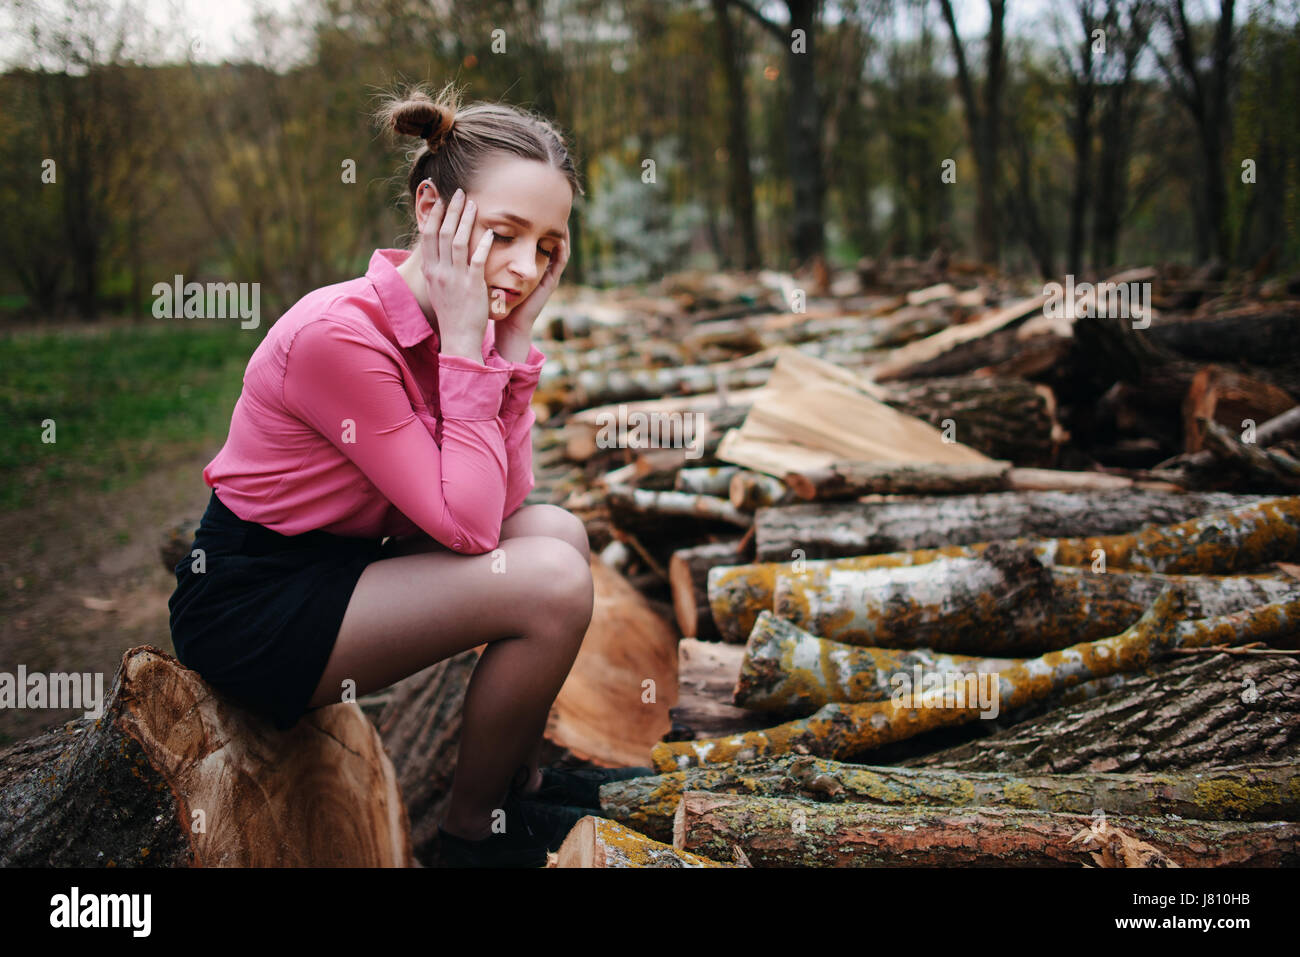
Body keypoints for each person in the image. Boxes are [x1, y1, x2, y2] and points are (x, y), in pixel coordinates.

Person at [168, 81, 649, 868]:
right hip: (254, 603)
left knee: (559, 531)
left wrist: (510, 344)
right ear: (431, 209)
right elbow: (466, 527)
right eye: (504, 234)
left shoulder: (462, 327)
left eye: (549, 247)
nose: (526, 268)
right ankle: (468, 840)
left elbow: (504, 505)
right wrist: (469, 346)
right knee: (549, 583)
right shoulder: (337, 336)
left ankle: (516, 792)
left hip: (348, 564)